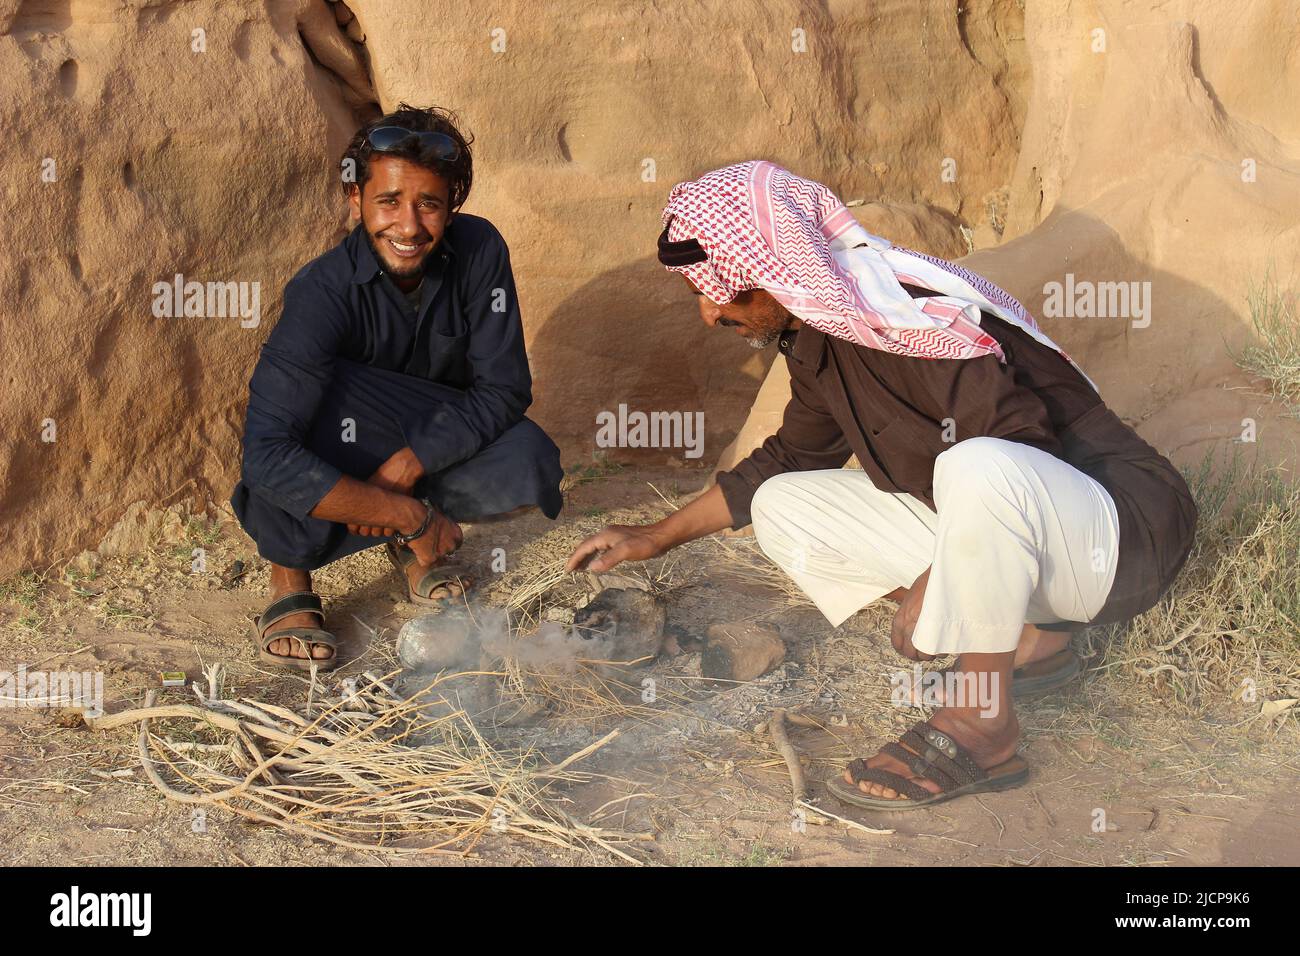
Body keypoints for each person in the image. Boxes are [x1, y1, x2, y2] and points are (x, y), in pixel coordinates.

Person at [567, 160, 1196, 809]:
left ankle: (983, 725)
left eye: (720, 287)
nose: (709, 312)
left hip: (1122, 535)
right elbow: (786, 459)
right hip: (1042, 543)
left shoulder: (906, 317)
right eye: (700, 290)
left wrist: (935, 579)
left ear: (780, 263)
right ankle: (1034, 638)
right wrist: (656, 536)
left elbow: (1017, 448)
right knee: (783, 506)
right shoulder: (824, 337)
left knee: (977, 464)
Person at [231, 104, 562, 671]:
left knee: (527, 459)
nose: (408, 227)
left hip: (423, 432)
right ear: (355, 201)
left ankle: (409, 543)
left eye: (428, 205)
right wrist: (406, 513)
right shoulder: (321, 291)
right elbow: (266, 455)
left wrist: (409, 466)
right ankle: (291, 573)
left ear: (451, 206)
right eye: (388, 202)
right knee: (290, 450)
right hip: (340, 441)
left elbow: (504, 390)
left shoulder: (480, 250)